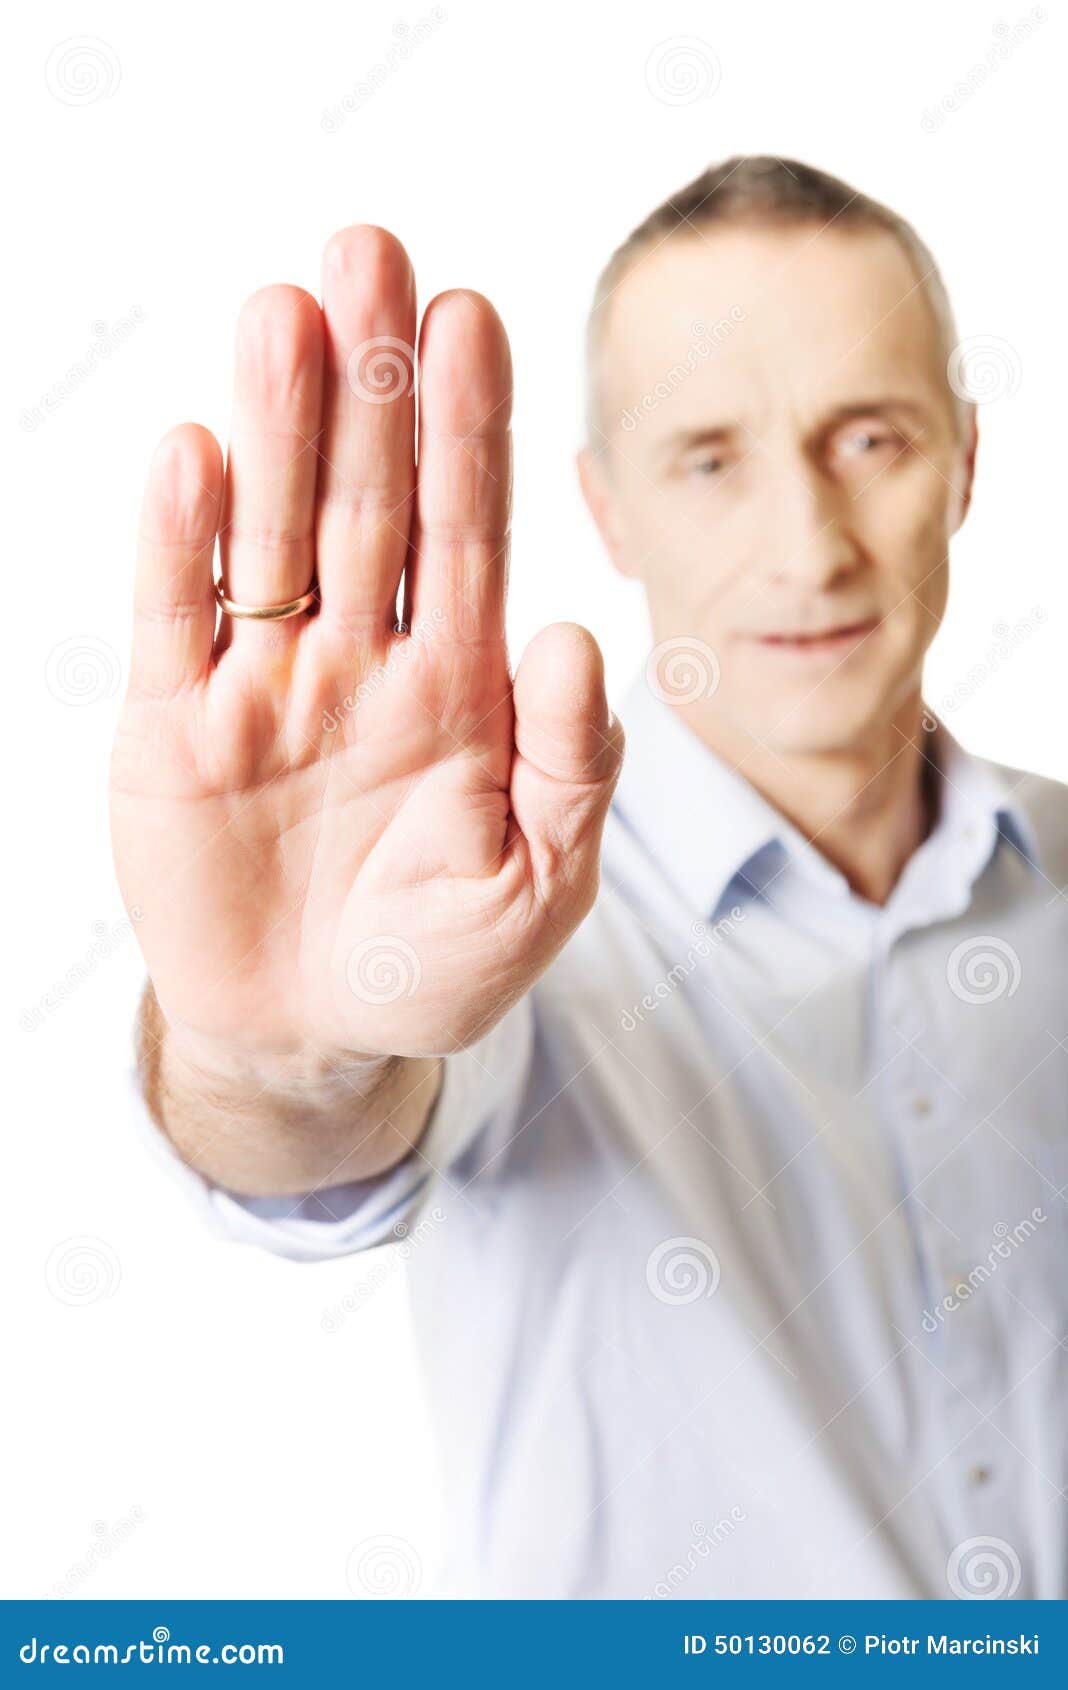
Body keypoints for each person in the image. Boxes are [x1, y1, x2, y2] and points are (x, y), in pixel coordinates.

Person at [111, 156, 1068, 1599]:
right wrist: (282, 1055)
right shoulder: (495, 906)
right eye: (708, 458)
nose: (808, 549)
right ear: (608, 510)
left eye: (869, 439)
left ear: (969, 462)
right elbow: (328, 1140)